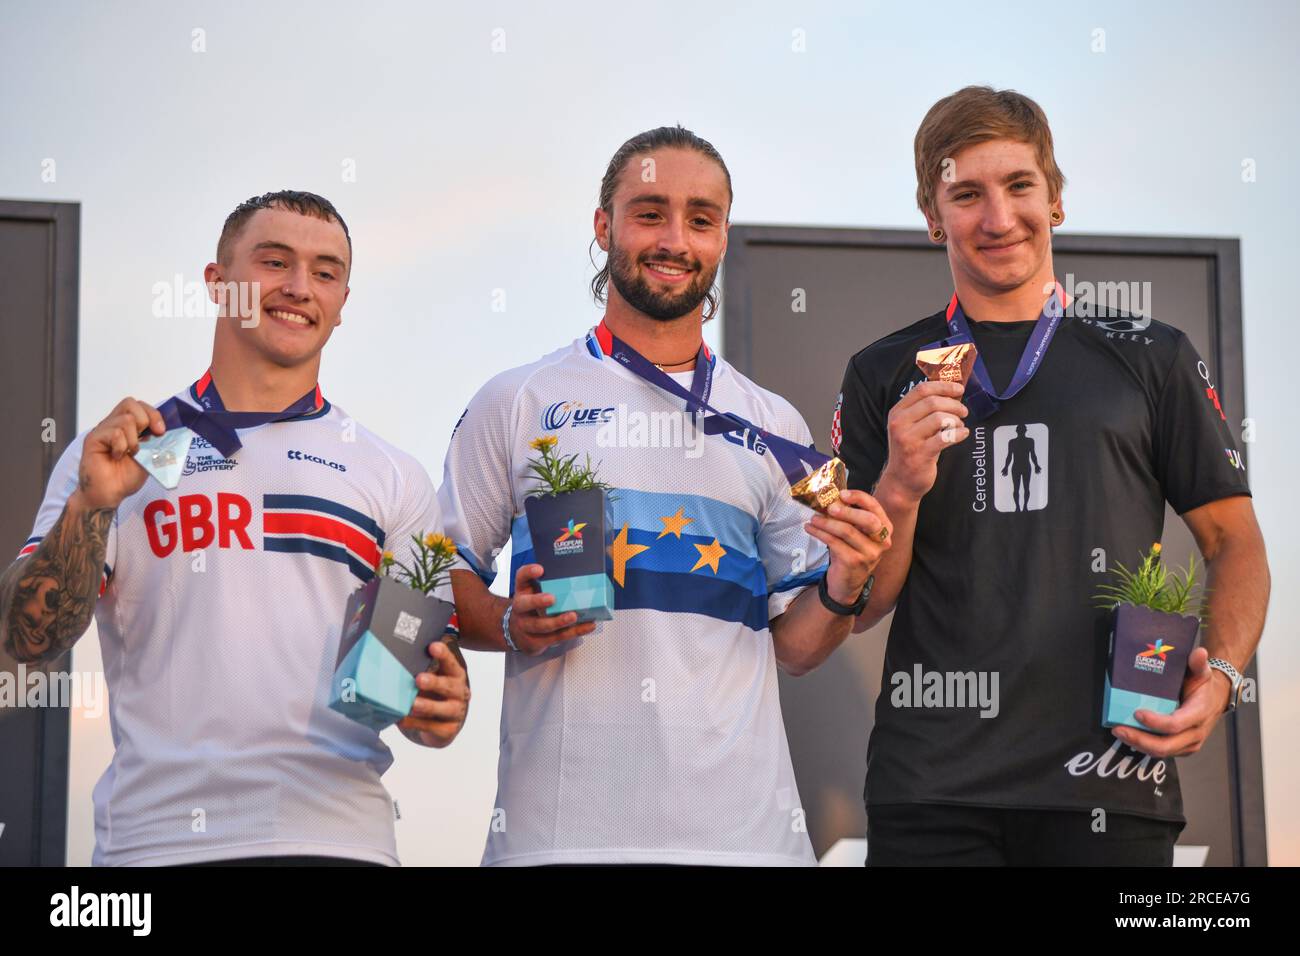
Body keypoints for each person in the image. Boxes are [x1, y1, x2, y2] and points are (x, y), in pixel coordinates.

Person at [832, 86, 1270, 865]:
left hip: (1113, 773)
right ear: (933, 215)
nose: (998, 218)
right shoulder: (882, 372)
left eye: (1019, 186)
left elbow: (1235, 541)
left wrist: (1225, 675)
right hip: (932, 788)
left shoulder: (1151, 353)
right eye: (967, 194)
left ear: (1056, 198)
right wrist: (898, 482)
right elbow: (866, 603)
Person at [439, 126, 892, 866]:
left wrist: (844, 583)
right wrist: (509, 623)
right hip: (557, 843)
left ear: (720, 238)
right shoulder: (518, 399)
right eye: (649, 212)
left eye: (701, 218)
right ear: (603, 226)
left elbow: (800, 648)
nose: (674, 238)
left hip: (747, 845)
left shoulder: (773, 423)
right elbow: (433, 573)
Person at [0, 191, 469, 866]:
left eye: (326, 271)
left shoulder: (390, 473)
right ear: (218, 285)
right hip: (157, 845)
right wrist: (89, 506)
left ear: (342, 301)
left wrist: (444, 703)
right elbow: (25, 637)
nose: (299, 287)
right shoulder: (120, 453)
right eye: (274, 262)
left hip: (339, 841)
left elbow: (425, 685)